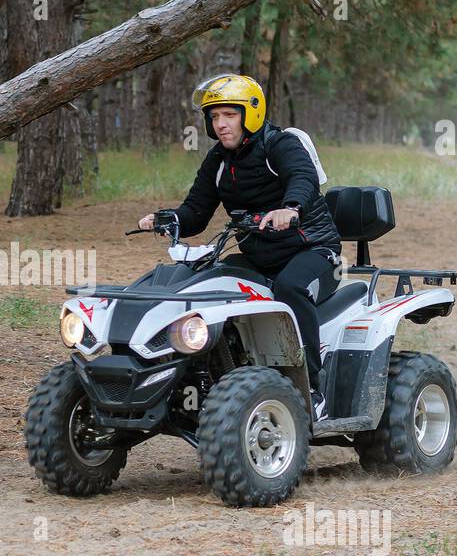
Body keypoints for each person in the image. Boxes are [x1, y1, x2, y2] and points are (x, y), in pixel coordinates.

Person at [138, 73, 342, 421]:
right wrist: (168, 218)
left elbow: (303, 178)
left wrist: (290, 209)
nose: (221, 124)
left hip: (315, 252)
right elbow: (196, 212)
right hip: (258, 257)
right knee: (212, 283)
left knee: (290, 289)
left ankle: (313, 390)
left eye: (229, 115)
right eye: (214, 117)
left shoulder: (281, 145)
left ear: (251, 113)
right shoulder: (218, 162)